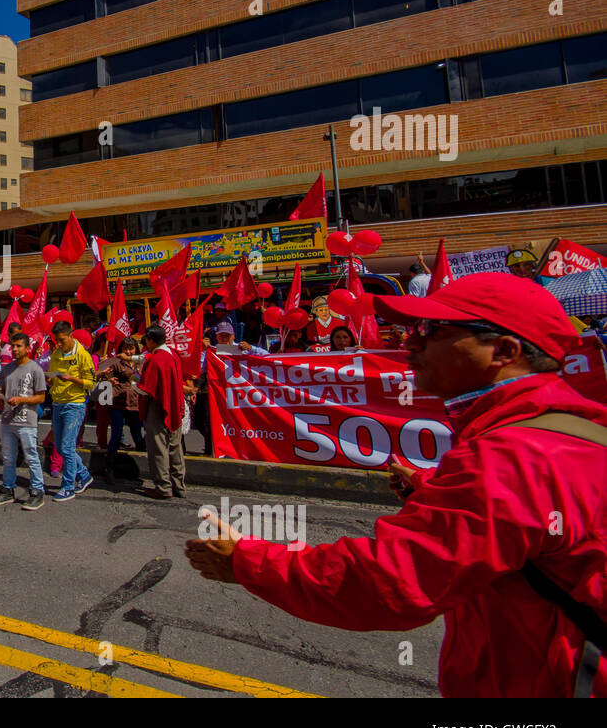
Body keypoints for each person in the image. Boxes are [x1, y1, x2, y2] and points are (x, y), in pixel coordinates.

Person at [185, 272, 607, 698]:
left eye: (433, 330)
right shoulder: (560, 433)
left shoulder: (511, 454)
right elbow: (517, 524)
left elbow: (392, 581)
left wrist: (247, 561)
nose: (411, 343)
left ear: (505, 350)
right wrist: (430, 489)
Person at [0, 332, 47, 510]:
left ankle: (37, 491)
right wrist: (2, 400)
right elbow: (4, 391)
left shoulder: (35, 369)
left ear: (27, 348)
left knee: (31, 457)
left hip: (27, 422)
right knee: (8, 458)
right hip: (8, 420)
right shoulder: (6, 369)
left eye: (19, 346)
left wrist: (22, 400)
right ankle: (8, 489)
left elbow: (41, 397)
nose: (14, 349)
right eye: (13, 346)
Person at [46, 319, 95, 502]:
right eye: (56, 340)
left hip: (74, 404)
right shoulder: (56, 354)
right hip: (58, 402)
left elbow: (91, 383)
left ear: (71, 336)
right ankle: (83, 475)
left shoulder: (83, 355)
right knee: (59, 446)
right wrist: (50, 380)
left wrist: (72, 379)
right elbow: (53, 375)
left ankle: (68, 487)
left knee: (67, 446)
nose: (58, 344)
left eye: (62, 340)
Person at [138, 325, 187, 500]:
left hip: (158, 405)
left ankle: (163, 487)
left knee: (158, 447)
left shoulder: (156, 359)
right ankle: (179, 485)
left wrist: (134, 383)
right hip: (174, 403)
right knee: (175, 446)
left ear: (151, 340)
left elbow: (146, 389)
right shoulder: (173, 355)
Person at [97, 337, 144, 460]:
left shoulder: (140, 362)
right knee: (116, 435)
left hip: (135, 403)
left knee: (137, 435)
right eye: (125, 349)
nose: (128, 352)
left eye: (131, 349)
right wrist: (109, 379)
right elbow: (104, 374)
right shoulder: (116, 362)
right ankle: (110, 466)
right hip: (118, 402)